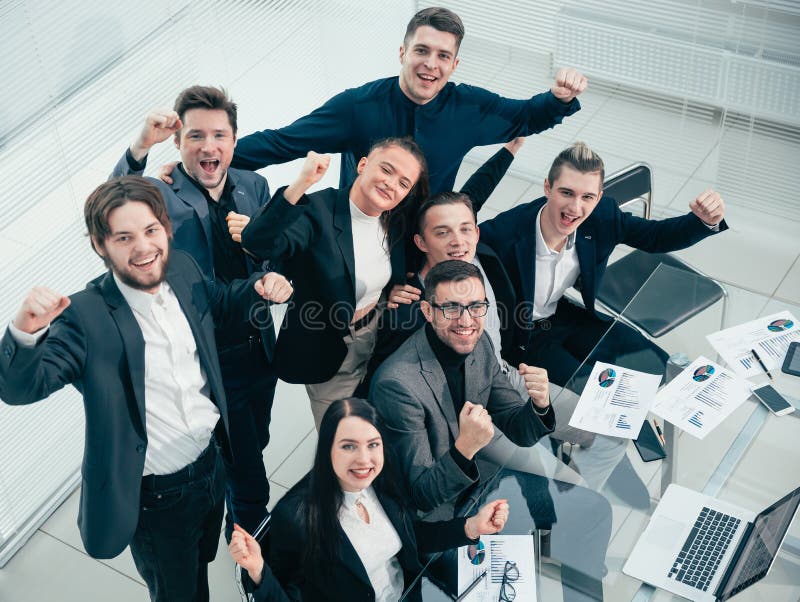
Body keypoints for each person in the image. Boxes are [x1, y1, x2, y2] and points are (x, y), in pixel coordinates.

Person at [0, 177, 290, 602]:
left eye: (151, 230)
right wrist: (24, 331)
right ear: (100, 245)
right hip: (159, 497)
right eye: (124, 237)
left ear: (166, 230)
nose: (143, 248)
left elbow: (219, 302)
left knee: (202, 560)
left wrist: (258, 289)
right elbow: (22, 387)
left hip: (211, 464)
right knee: (178, 593)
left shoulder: (182, 266)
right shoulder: (85, 316)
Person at [370, 261, 612, 601]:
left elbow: (517, 427)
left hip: (484, 486)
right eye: (451, 308)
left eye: (476, 307)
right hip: (439, 524)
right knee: (509, 595)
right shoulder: (397, 385)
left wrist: (539, 405)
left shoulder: (478, 341)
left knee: (594, 509)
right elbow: (421, 495)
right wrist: (464, 449)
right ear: (427, 311)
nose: (466, 321)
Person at [161, 7, 587, 195]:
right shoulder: (357, 106)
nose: (430, 65)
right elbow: (280, 143)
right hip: (357, 239)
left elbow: (528, 116)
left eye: (442, 56)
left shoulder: (470, 108)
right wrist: (202, 160)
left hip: (422, 244)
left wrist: (559, 97)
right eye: (421, 51)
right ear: (403, 53)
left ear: (455, 65)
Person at [111, 85, 284, 536]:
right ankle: (250, 546)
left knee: (254, 440)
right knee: (249, 472)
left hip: (258, 346)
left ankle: (233, 500)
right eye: (195, 136)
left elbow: (272, 259)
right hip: (205, 357)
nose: (209, 146)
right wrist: (140, 147)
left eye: (219, 136)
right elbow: (111, 208)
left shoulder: (254, 184)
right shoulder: (160, 194)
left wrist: (261, 245)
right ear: (178, 142)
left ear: (233, 140)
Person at [479, 141, 729, 388]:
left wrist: (704, 222)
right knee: (592, 394)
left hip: (567, 316)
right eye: (566, 193)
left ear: (598, 198)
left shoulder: (601, 216)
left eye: (587, 197)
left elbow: (656, 236)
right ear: (548, 187)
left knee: (658, 366)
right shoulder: (501, 234)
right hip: (522, 334)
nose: (575, 208)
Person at [228, 398, 510, 602]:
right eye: (349, 446)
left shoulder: (384, 478)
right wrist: (259, 573)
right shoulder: (296, 517)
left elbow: (411, 537)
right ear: (327, 450)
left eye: (373, 445)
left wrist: (471, 528)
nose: (364, 460)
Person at [240, 137, 429, 428]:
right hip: (329, 351)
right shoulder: (317, 211)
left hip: (378, 336)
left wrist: (390, 293)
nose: (392, 185)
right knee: (347, 435)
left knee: (383, 425)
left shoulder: (396, 220)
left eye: (404, 183)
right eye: (387, 170)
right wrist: (301, 183)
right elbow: (257, 242)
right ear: (363, 165)